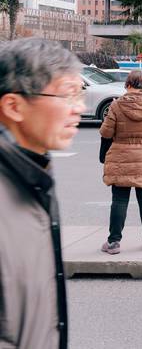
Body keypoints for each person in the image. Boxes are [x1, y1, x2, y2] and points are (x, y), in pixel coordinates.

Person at [0, 38, 84, 349]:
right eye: (67, 95)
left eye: (80, 93)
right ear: (14, 106)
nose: (80, 108)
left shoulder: (34, 175)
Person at [99, 69, 142, 253]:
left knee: (119, 199)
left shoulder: (116, 105)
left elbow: (105, 132)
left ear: (128, 85)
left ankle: (113, 243)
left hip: (120, 157)